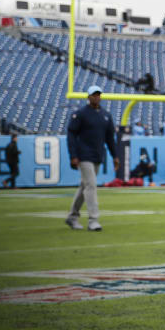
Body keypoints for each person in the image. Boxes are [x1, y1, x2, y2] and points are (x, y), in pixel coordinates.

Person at [65, 86, 118, 231]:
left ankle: (72, 216)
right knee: (91, 185)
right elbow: (71, 135)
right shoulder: (81, 114)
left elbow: (110, 138)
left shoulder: (106, 115)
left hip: (97, 155)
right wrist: (73, 155)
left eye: (98, 95)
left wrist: (115, 156)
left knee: (85, 186)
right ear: (88, 97)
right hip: (84, 155)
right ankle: (93, 220)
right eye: (93, 95)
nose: (96, 97)